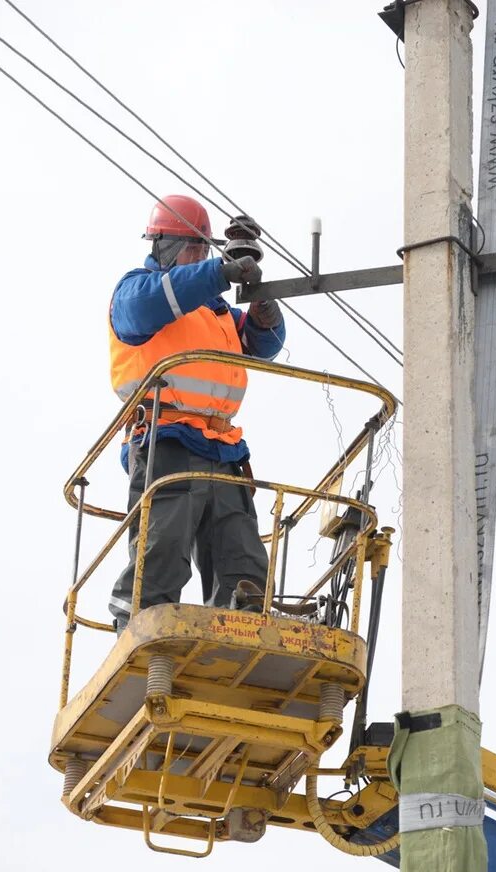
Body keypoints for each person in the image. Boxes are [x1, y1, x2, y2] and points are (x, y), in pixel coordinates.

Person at [108, 195, 286, 632]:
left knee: (240, 550)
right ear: (163, 246)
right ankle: (140, 619)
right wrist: (220, 273)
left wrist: (265, 310)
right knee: (163, 543)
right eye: (191, 247)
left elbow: (263, 344)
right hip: (166, 439)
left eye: (203, 248)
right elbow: (152, 304)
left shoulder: (215, 313)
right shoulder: (137, 291)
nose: (198, 256)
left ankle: (246, 622)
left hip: (222, 448)